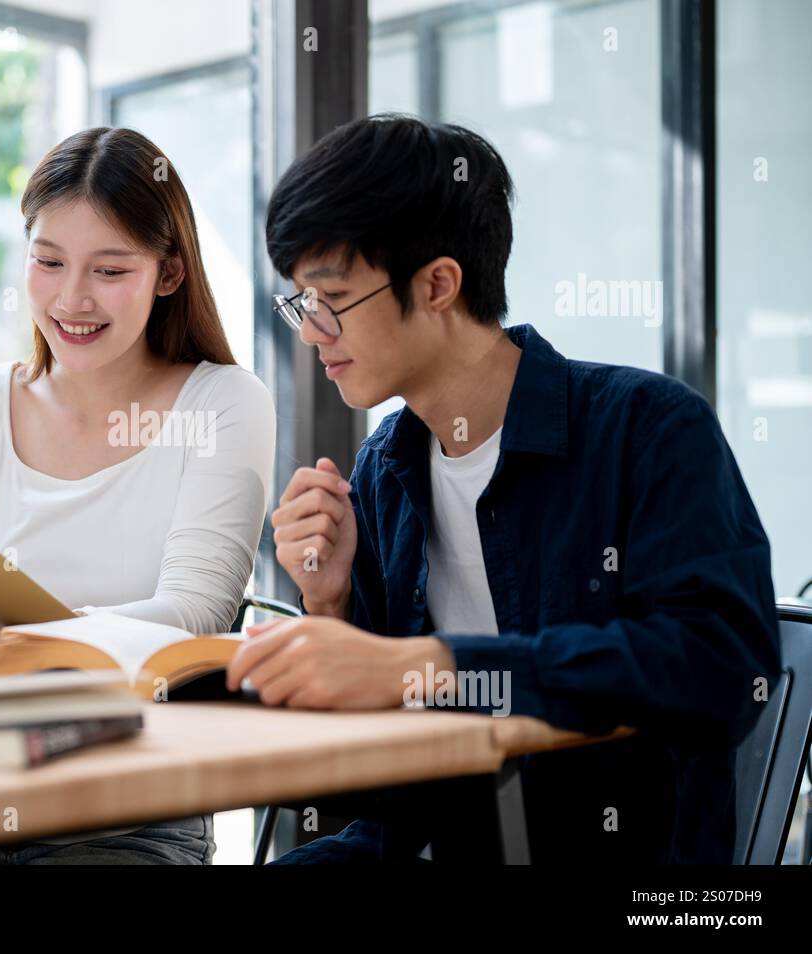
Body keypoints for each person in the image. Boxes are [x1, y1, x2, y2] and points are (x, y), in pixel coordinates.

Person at [226, 113, 781, 864]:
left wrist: (440, 666)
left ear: (439, 285)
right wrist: (330, 604)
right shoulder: (385, 469)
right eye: (298, 303)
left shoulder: (647, 430)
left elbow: (719, 665)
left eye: (330, 300)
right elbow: (360, 789)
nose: (310, 331)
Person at [0, 127, 276, 864]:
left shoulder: (224, 403)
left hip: (129, 817)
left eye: (109, 270)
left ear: (168, 275)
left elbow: (189, 620)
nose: (72, 299)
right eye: (47, 262)